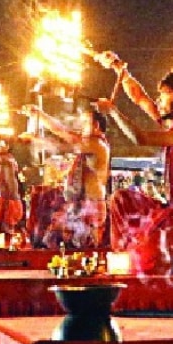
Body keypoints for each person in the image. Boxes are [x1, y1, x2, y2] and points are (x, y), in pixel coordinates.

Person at [93, 52, 173, 272]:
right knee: (120, 199)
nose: (158, 101)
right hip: (171, 213)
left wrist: (112, 112)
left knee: (143, 261)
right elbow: (140, 98)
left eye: (164, 95)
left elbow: (141, 138)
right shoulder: (172, 125)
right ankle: (123, 255)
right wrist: (120, 69)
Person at [27, 104, 110, 247]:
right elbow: (62, 132)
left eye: (85, 123)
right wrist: (39, 115)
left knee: (82, 248)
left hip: (91, 206)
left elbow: (65, 139)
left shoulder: (97, 144)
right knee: (53, 240)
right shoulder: (89, 144)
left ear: (96, 126)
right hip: (79, 205)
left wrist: (37, 137)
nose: (81, 127)